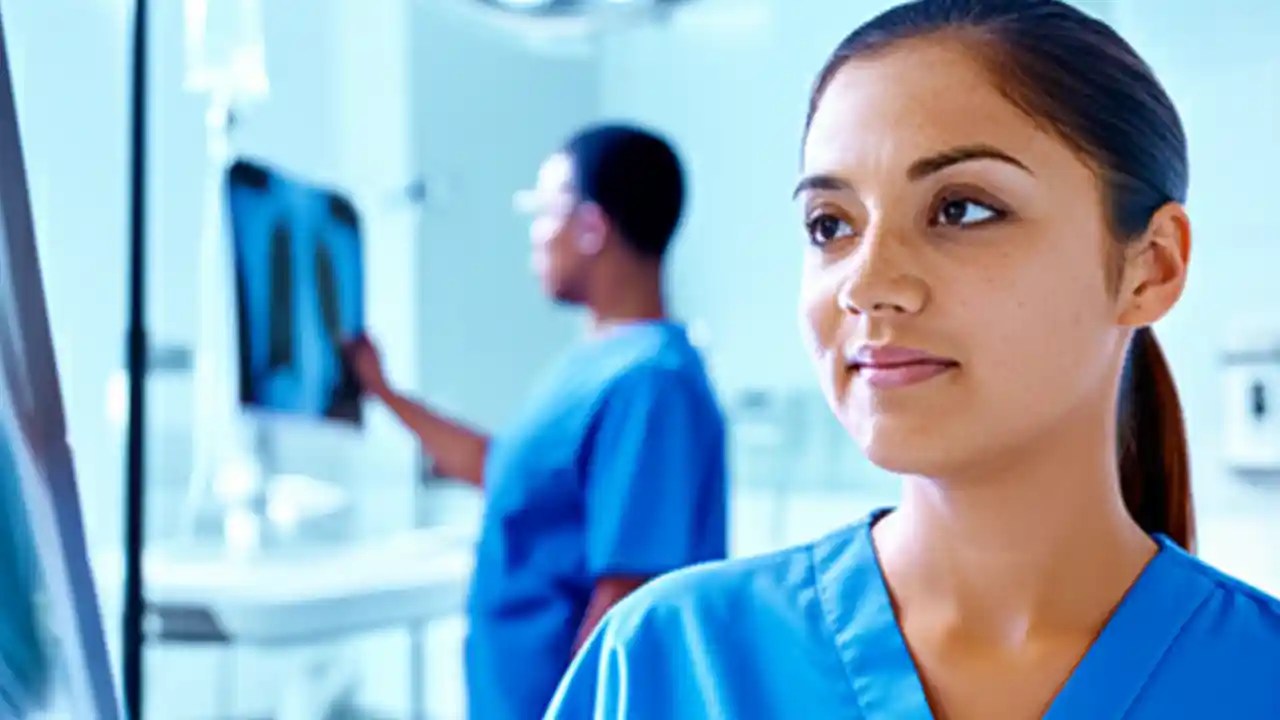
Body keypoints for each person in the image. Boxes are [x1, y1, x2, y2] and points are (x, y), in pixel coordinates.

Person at [546, 2, 1280, 718]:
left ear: (1150, 269)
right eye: (829, 225)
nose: (866, 285)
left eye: (961, 209)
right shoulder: (673, 662)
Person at [345, 123, 727, 720]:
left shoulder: (650, 384)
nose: (535, 235)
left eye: (544, 211)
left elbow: (627, 596)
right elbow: (502, 472)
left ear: (591, 227)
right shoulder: (592, 368)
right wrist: (384, 394)